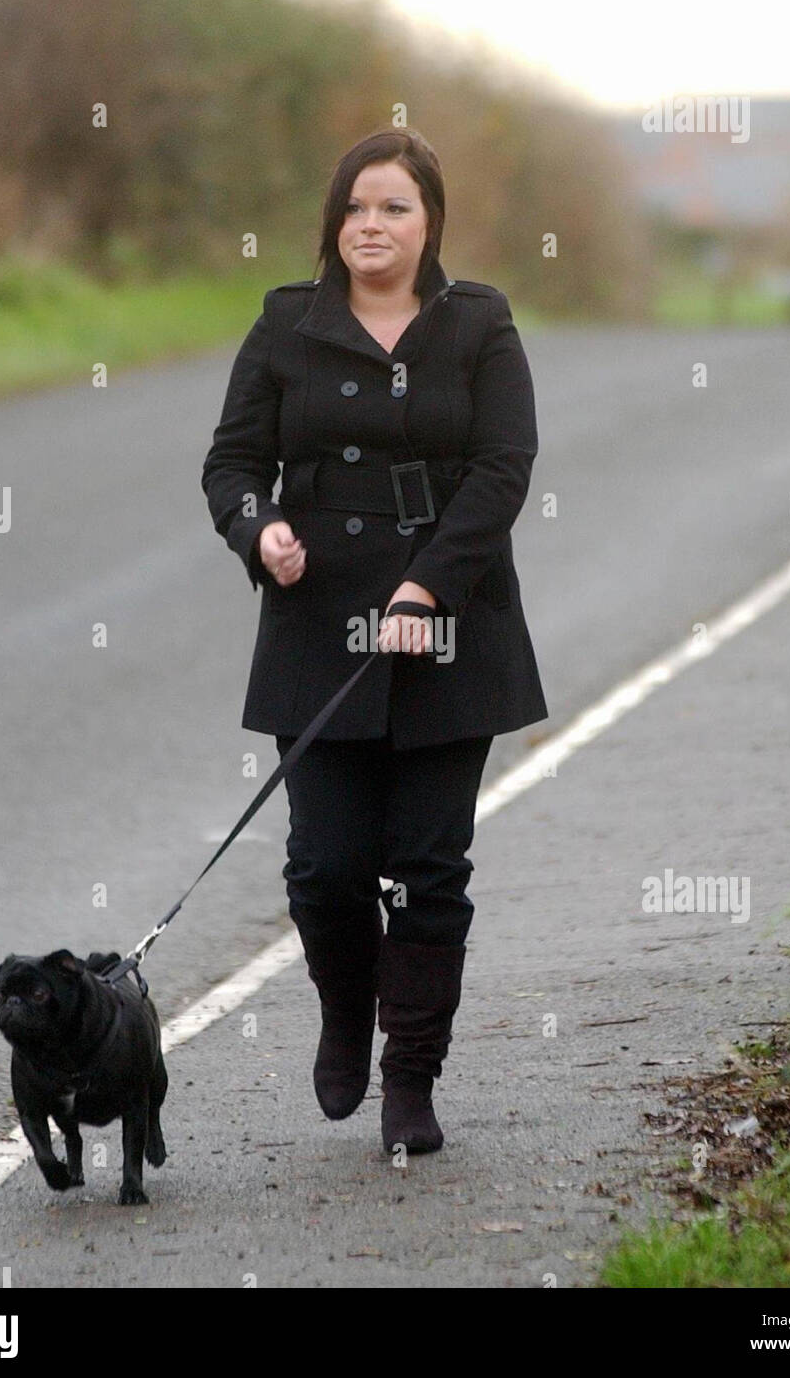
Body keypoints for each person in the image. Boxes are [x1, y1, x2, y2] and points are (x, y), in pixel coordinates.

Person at [201, 126, 548, 1154]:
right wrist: (258, 530)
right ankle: (347, 1007)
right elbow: (229, 463)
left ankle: (411, 1075)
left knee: (431, 866)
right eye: (356, 206)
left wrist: (425, 586)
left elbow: (503, 469)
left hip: (451, 628)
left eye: (394, 206)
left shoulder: (479, 324)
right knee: (325, 867)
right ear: (332, 222)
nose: (371, 224)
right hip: (319, 629)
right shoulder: (284, 326)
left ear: (429, 220)